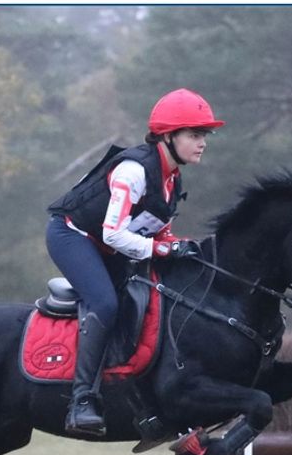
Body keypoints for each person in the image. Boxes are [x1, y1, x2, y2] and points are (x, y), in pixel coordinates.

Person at [45, 89, 223, 436]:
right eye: (195, 135)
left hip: (107, 245)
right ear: (168, 137)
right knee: (105, 303)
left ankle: (143, 404)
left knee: (146, 299)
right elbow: (113, 234)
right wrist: (162, 251)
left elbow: (158, 234)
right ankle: (81, 401)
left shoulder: (172, 179)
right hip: (72, 235)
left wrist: (183, 250)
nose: (203, 143)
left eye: (205, 136)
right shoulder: (134, 172)